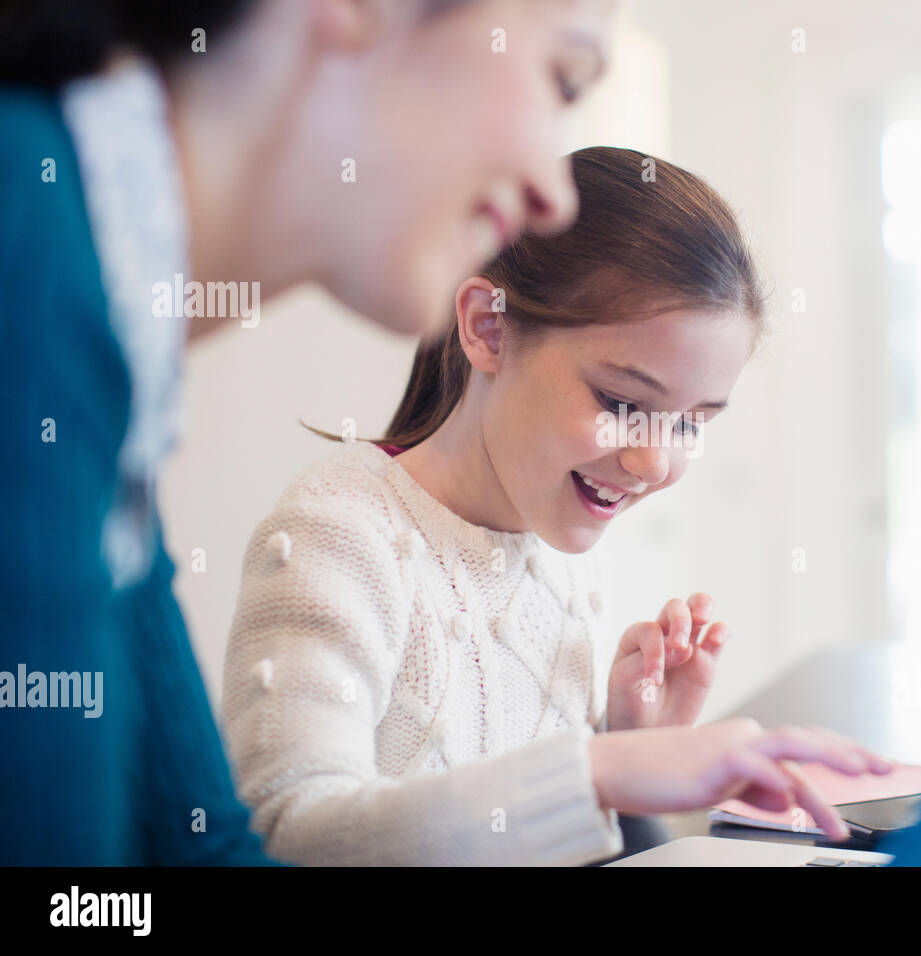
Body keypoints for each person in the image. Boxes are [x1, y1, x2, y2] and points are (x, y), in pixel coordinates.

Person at [0, 0, 615, 864]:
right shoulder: (24, 250)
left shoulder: (95, 336)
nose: (555, 196)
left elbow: (203, 855)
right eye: (563, 75)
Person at [222, 147, 894, 865]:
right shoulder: (338, 531)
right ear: (488, 328)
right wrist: (603, 772)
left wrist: (626, 751)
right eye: (622, 402)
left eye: (691, 421)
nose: (653, 461)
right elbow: (285, 834)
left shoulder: (555, 545)